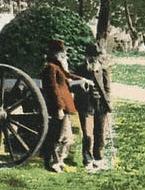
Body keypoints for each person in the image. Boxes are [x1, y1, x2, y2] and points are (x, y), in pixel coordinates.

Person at [40, 39, 77, 172]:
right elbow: (53, 89)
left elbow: (68, 75)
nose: (63, 55)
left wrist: (82, 79)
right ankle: (54, 162)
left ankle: (59, 160)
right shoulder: (50, 67)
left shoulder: (57, 66)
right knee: (59, 135)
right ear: (54, 54)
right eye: (61, 52)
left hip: (64, 105)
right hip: (57, 106)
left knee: (67, 136)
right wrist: (59, 107)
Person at [75, 42, 113, 171]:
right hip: (86, 106)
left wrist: (109, 104)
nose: (93, 59)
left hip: (100, 106)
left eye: (96, 56)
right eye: (91, 56)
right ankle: (87, 160)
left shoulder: (103, 70)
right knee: (88, 135)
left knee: (100, 134)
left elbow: (107, 89)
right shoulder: (80, 69)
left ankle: (98, 158)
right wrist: (80, 86)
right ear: (86, 56)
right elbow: (73, 85)